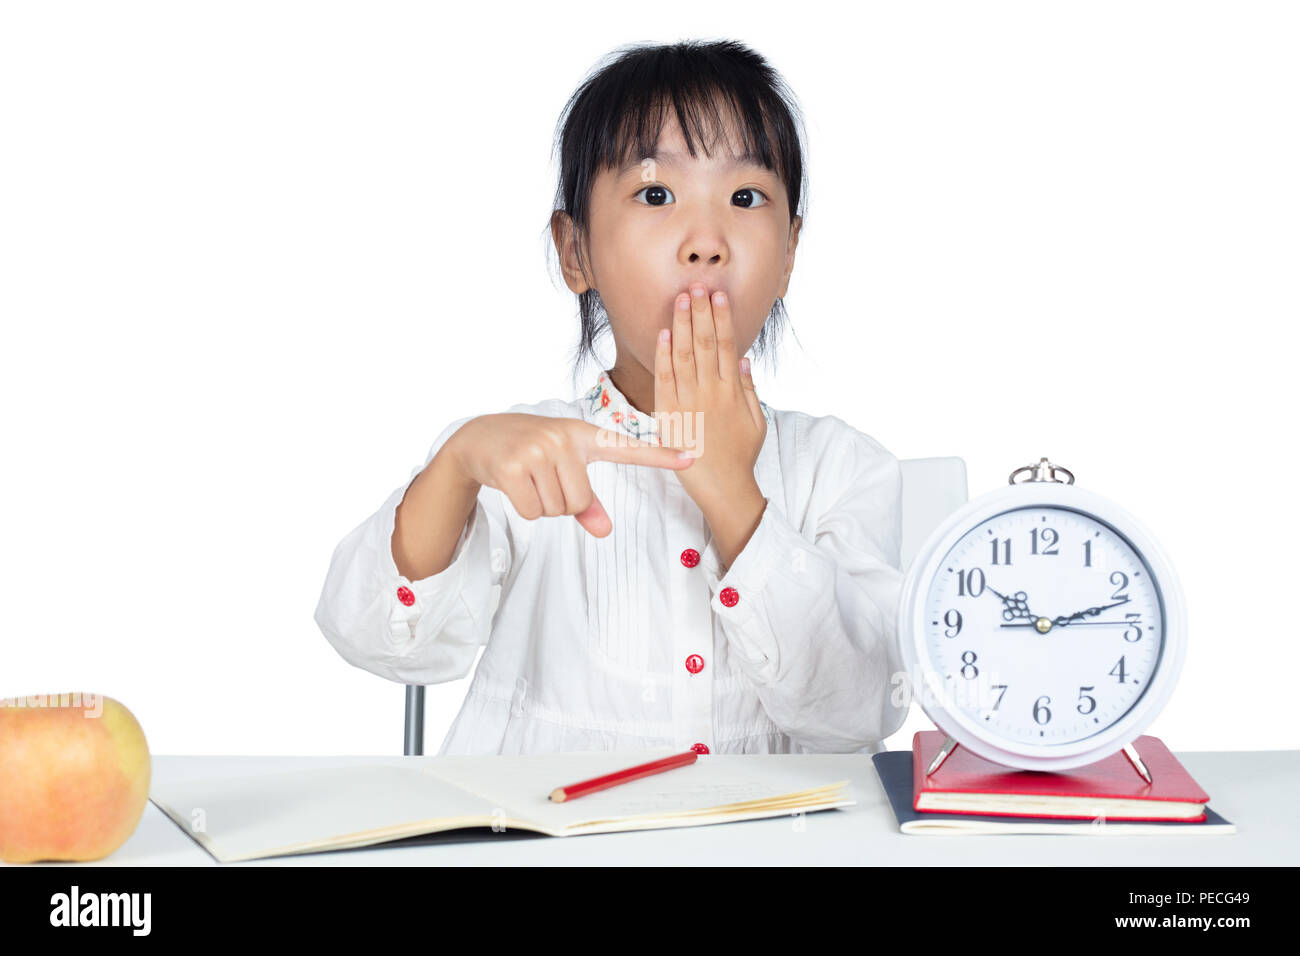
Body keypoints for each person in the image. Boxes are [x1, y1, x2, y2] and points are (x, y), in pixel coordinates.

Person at [314, 39, 909, 756]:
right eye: (656, 194)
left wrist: (731, 494)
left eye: (746, 197)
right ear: (576, 253)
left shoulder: (843, 468)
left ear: (788, 254)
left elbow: (859, 710)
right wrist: (459, 463)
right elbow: (377, 641)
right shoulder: (520, 454)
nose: (706, 241)